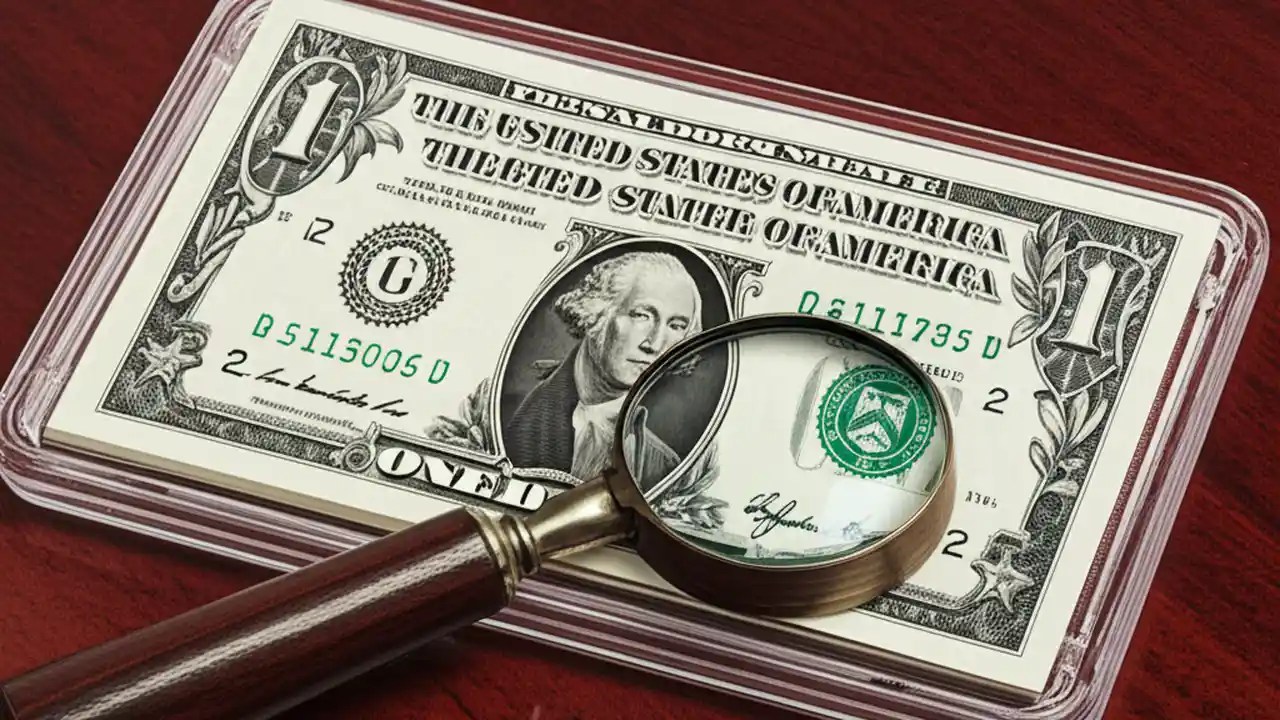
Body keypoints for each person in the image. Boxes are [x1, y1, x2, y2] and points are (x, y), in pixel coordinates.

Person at [503, 251, 710, 490]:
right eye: (642, 315)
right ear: (596, 314)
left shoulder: (663, 466)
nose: (654, 345)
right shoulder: (509, 414)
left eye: (676, 326)